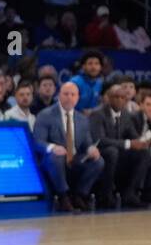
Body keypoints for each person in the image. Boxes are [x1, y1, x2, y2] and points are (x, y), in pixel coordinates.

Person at [32, 80, 103, 213]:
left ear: (77, 98)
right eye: (66, 94)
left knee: (98, 161)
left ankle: (79, 195)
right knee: (55, 157)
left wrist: (91, 149)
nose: (69, 97)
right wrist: (53, 147)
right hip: (55, 160)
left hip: (75, 159)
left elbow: (87, 143)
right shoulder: (45, 115)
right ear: (59, 95)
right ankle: (63, 196)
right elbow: (37, 142)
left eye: (73, 94)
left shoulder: (82, 119)